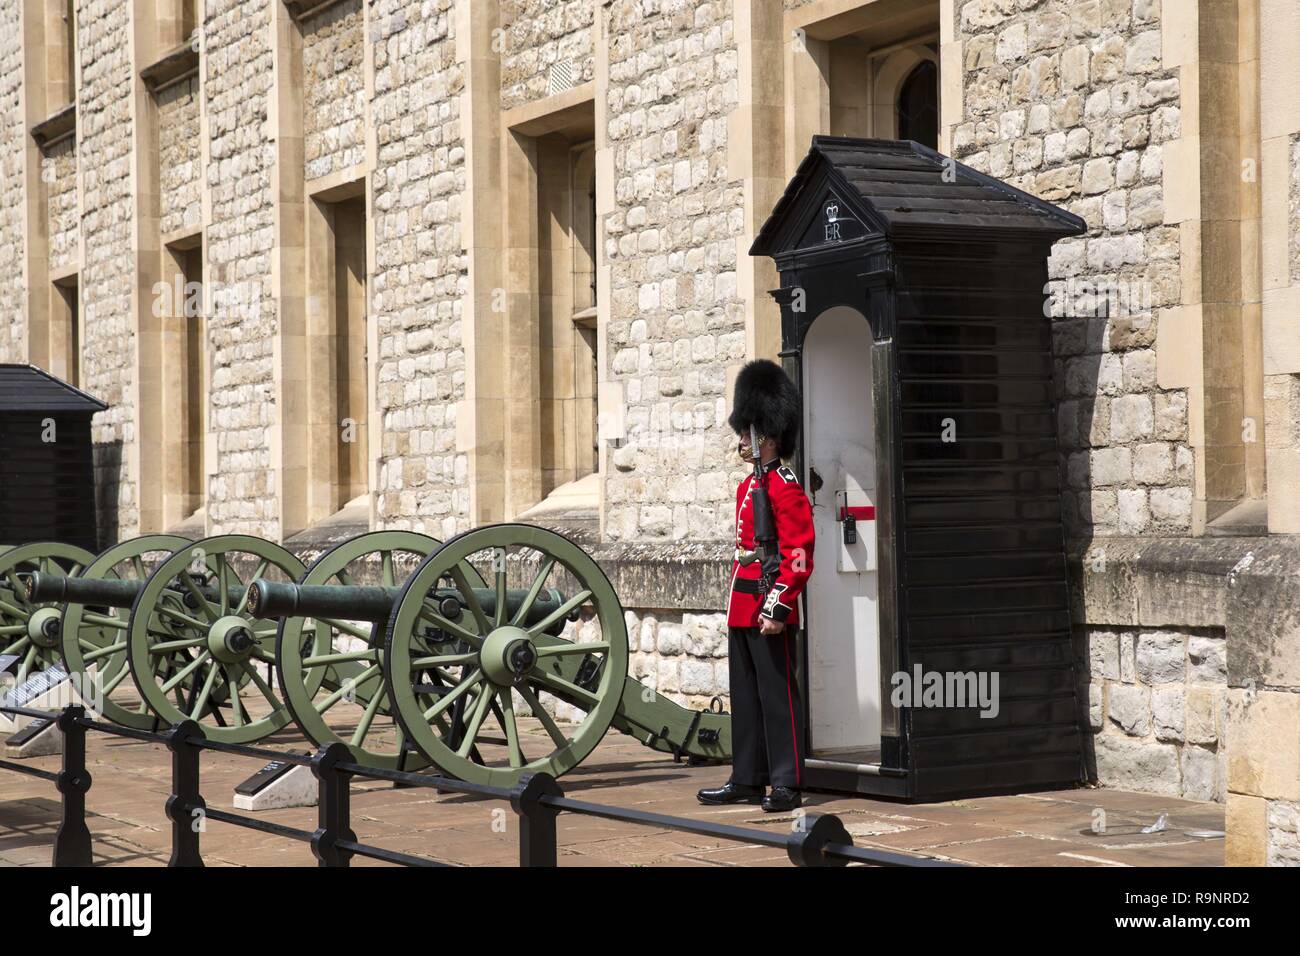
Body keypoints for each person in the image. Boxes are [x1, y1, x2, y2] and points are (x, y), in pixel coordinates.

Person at [697, 359, 814, 812]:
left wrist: (778, 606)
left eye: (747, 433)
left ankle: (786, 780)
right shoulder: (750, 486)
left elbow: (799, 555)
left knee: (778, 696)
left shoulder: (785, 487)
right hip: (743, 601)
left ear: (766, 436)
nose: (741, 441)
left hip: (768, 603)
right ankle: (746, 776)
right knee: (745, 696)